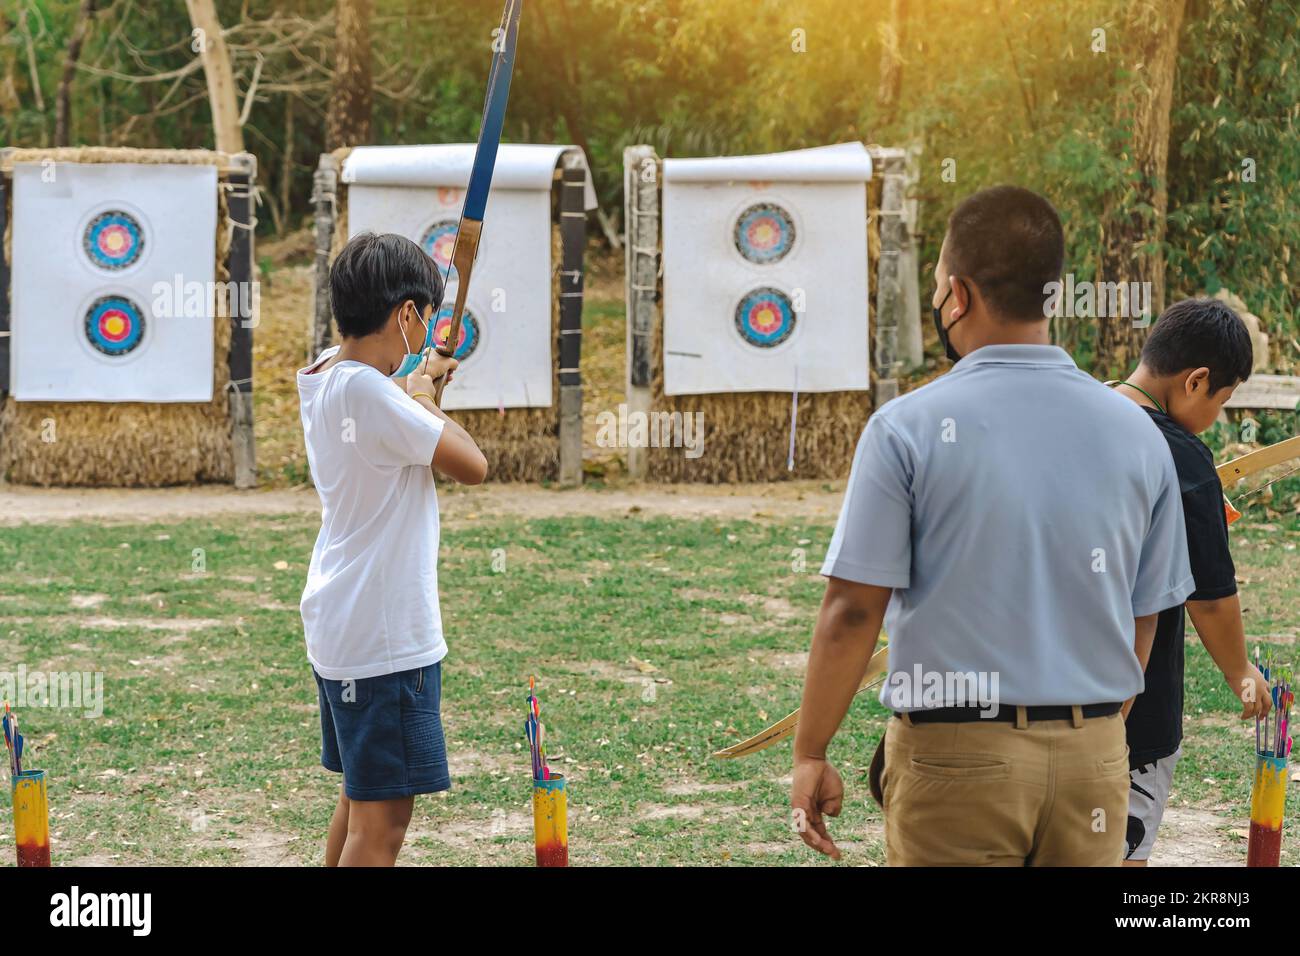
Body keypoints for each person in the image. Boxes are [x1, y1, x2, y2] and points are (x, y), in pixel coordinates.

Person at [790, 185, 1194, 866]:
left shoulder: (906, 429)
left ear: (958, 294)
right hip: (1094, 759)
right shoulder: (1136, 433)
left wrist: (810, 751)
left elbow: (854, 612)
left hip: (956, 762)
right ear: (1051, 293)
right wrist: (1086, 734)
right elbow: (1145, 616)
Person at [297, 232, 487, 866]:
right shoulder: (370, 395)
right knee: (383, 823)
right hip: (382, 639)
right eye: (424, 317)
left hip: (346, 625)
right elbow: (471, 463)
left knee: (362, 799)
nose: (429, 327)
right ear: (407, 314)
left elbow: (390, 402)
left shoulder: (327, 371)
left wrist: (419, 377)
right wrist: (428, 396)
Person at [1109, 298, 1271, 865]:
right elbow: (1211, 594)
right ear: (1197, 380)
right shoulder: (1180, 454)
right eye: (1222, 401)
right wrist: (1240, 672)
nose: (1217, 417)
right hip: (1134, 718)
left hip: (1045, 698)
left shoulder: (1083, 414)